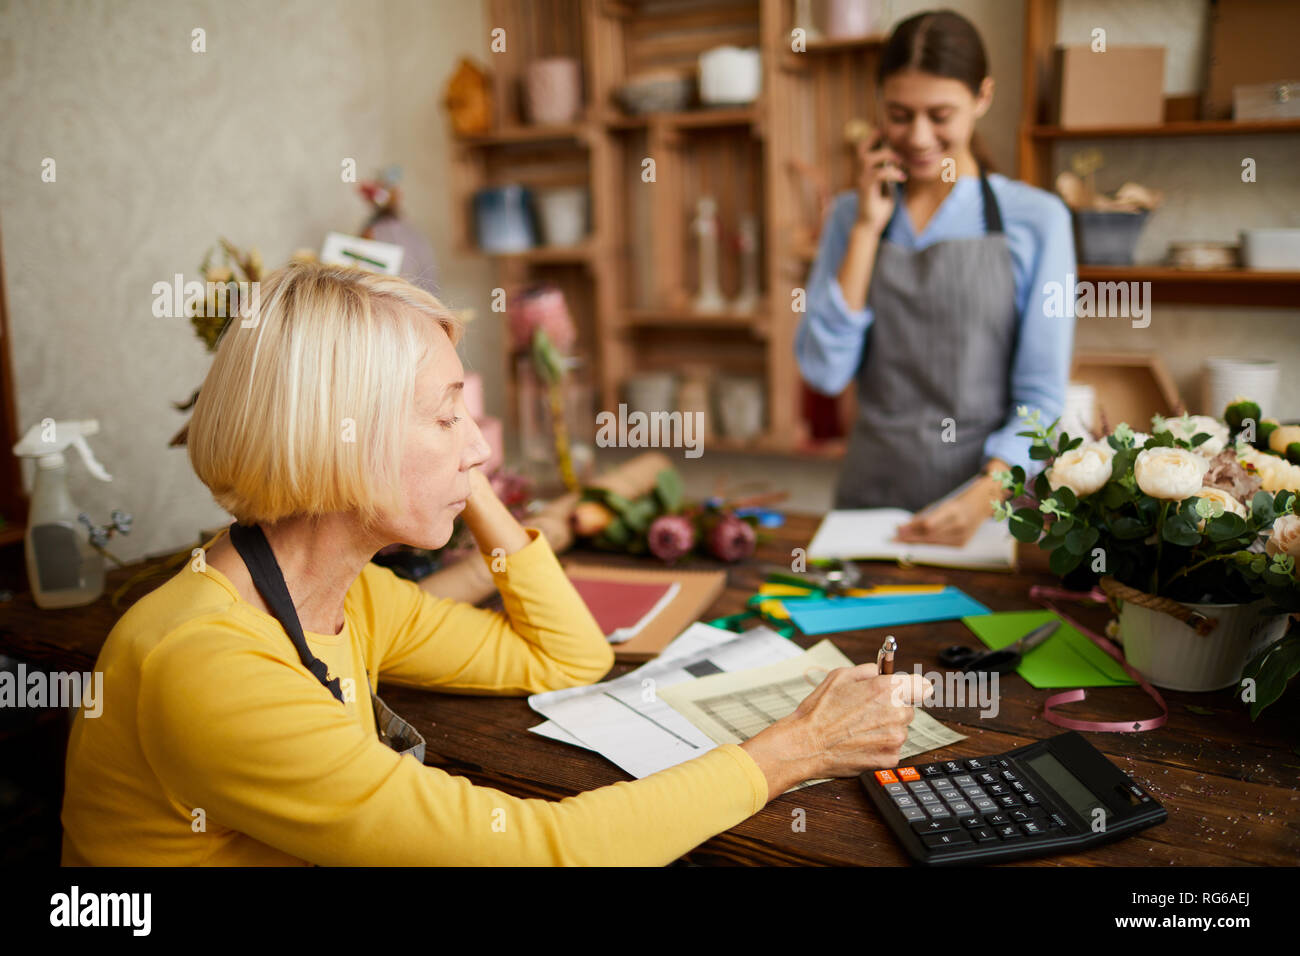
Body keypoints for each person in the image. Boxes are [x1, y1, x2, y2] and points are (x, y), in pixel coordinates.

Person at [61, 262, 930, 866]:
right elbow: (540, 853)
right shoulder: (213, 665)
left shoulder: (340, 594)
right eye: (446, 416)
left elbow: (568, 659)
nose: (478, 445)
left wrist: (464, 482)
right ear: (341, 439)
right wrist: (798, 749)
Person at [796, 9, 1076, 546]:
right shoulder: (850, 217)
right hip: (869, 505)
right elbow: (825, 374)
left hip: (987, 510)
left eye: (940, 114)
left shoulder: (1039, 220)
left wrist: (986, 494)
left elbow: (1041, 396)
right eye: (899, 115)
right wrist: (864, 232)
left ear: (982, 98)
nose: (918, 137)